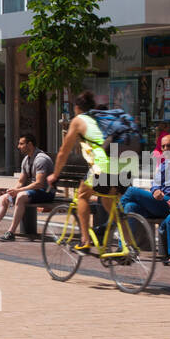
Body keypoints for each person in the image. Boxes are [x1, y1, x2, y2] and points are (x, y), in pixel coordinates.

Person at [45, 90, 117, 253]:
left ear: (77, 108)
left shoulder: (79, 120)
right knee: (109, 202)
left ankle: (85, 241)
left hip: (103, 166)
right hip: (124, 163)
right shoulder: (101, 118)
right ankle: (127, 244)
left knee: (82, 195)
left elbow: (63, 151)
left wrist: (55, 174)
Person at [0, 134, 54, 242]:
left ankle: (11, 232)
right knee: (4, 198)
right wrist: (12, 191)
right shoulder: (26, 160)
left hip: (46, 192)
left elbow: (39, 184)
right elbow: (21, 181)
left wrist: (18, 191)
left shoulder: (41, 159)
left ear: (30, 144)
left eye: (21, 144)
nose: (18, 146)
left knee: (21, 196)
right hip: (33, 191)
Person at [119, 134, 170, 222]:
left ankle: (113, 222)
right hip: (160, 202)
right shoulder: (164, 165)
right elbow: (156, 184)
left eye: (169, 145)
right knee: (130, 206)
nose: (165, 149)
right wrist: (156, 190)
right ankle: (128, 235)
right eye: (163, 146)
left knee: (131, 190)